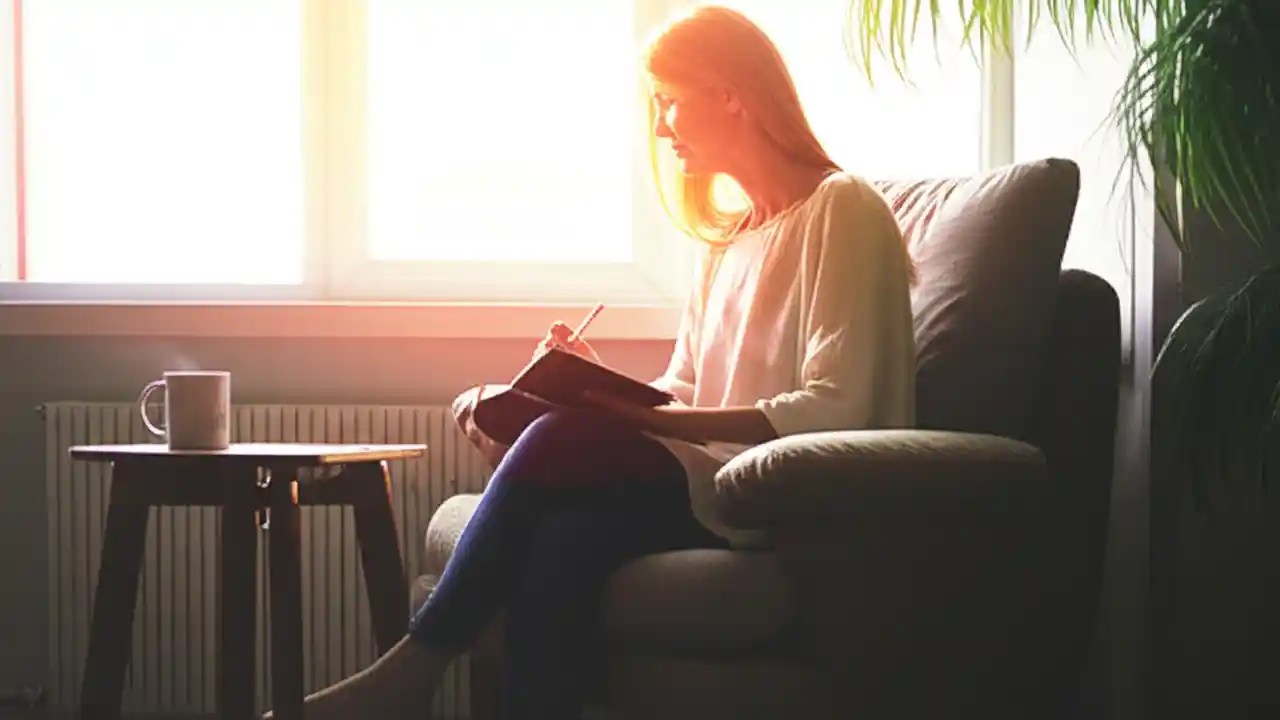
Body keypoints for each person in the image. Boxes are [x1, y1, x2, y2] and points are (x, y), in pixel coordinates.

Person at [267, 4, 916, 719]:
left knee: (556, 438)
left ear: (730, 92)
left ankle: (414, 667)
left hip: (771, 498)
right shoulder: (727, 242)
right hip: (700, 488)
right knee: (558, 546)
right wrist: (597, 381)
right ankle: (421, 675)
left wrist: (625, 420)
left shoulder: (842, 209)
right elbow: (688, 390)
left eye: (670, 102)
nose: (662, 127)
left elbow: (837, 404)